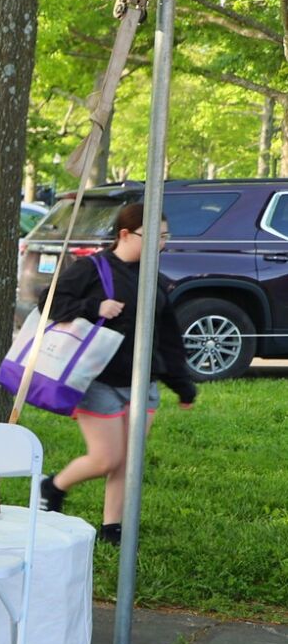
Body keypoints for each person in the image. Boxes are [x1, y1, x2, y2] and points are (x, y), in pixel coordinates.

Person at [40, 201, 197, 546]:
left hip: (143, 384)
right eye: (153, 236)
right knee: (106, 458)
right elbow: (48, 303)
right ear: (125, 234)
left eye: (165, 236)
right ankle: (52, 486)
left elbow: (168, 335)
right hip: (98, 381)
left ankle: (113, 528)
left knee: (129, 461)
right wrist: (93, 307)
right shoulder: (92, 269)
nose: (161, 244)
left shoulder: (153, 279)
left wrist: (182, 384)